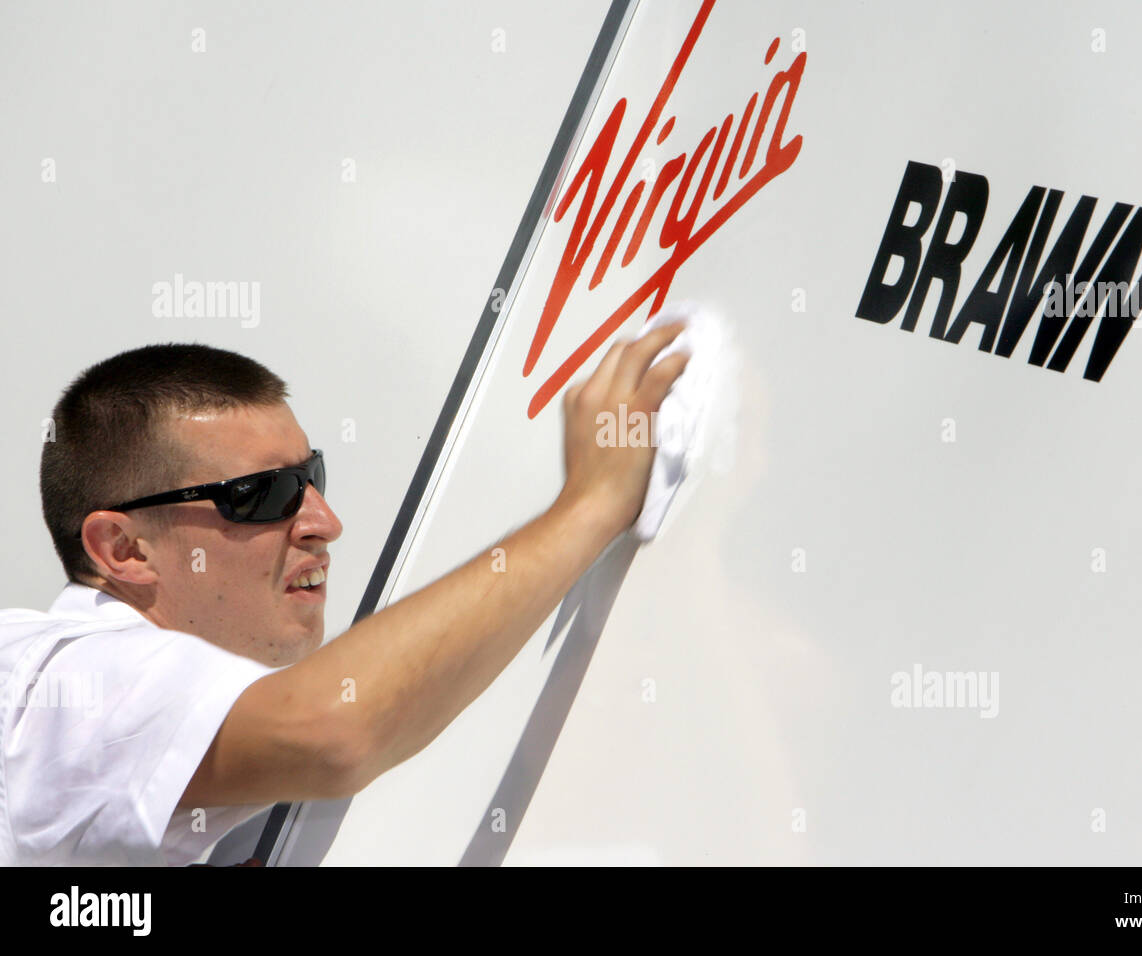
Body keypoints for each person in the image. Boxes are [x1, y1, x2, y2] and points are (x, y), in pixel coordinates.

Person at [0, 323, 688, 865]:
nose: (325, 523)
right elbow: (334, 731)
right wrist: (591, 504)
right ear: (123, 549)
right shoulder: (50, 677)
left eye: (312, 475)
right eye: (262, 494)